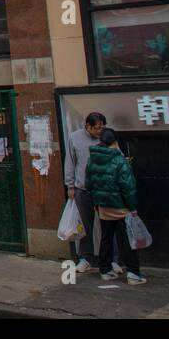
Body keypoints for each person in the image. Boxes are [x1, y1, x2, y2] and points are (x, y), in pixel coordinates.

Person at [86, 128, 146, 284]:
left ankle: (105, 270)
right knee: (126, 240)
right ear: (115, 142)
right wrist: (132, 207)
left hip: (103, 206)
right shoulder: (119, 160)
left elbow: (89, 183)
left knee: (106, 238)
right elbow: (128, 186)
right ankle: (133, 273)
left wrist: (96, 202)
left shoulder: (92, 159)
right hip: (120, 207)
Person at [64, 111, 106, 273]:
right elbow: (70, 162)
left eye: (102, 127)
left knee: (108, 226)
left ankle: (112, 259)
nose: (99, 131)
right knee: (84, 226)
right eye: (97, 128)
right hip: (82, 188)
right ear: (87, 126)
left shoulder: (105, 138)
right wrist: (70, 186)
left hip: (103, 189)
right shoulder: (74, 138)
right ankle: (84, 258)